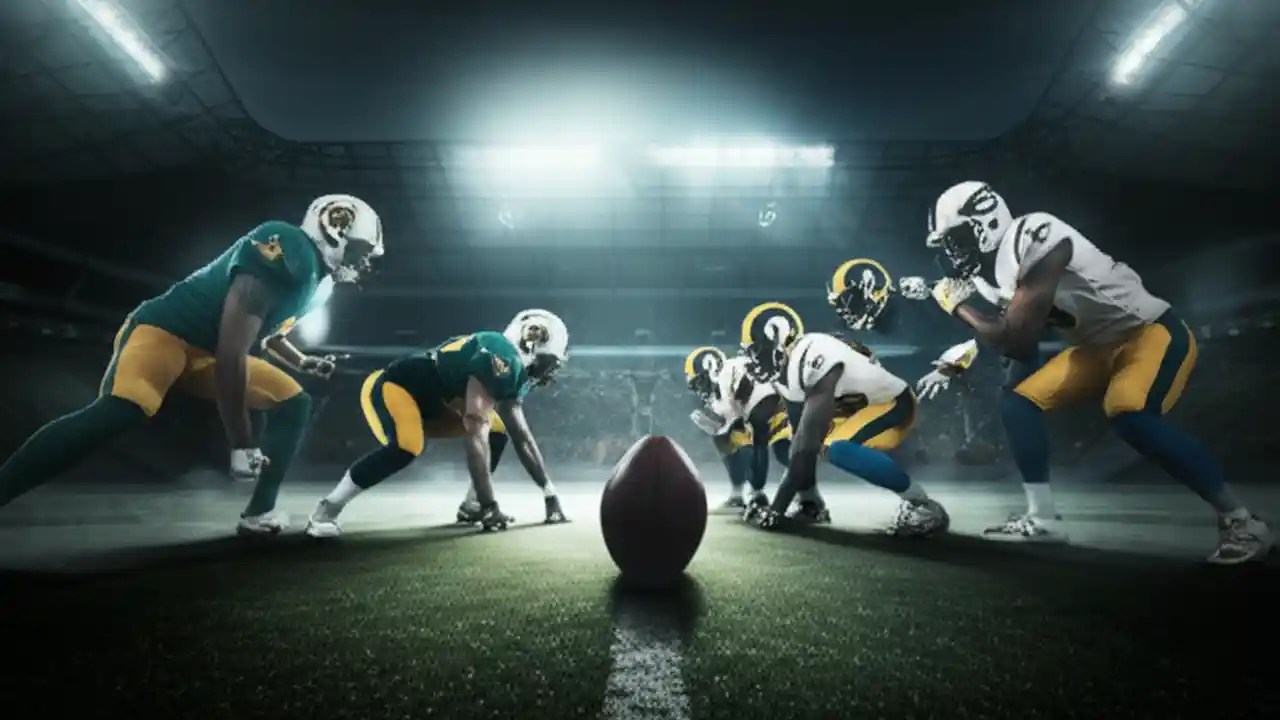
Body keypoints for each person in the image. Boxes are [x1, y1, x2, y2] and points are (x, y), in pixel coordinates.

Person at [925, 180, 1271, 563]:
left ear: (983, 222)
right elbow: (1011, 336)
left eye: (956, 238)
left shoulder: (1037, 233)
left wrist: (958, 307)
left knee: (1129, 415)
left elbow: (1017, 341)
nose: (954, 252)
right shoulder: (1001, 271)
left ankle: (1241, 520)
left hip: (1148, 332)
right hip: (1093, 349)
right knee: (1017, 401)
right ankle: (1043, 518)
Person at [0, 195, 383, 536]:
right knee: (123, 409)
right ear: (335, 228)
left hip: (209, 351)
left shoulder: (317, 283)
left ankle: (258, 513)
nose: (364, 260)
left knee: (294, 402)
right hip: (166, 331)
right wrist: (242, 443)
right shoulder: (285, 245)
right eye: (362, 248)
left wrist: (304, 362)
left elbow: (266, 335)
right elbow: (233, 351)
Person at [305, 310, 569, 537]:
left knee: (499, 431)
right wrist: (492, 506)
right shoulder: (501, 356)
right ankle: (327, 510)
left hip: (435, 401)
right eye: (552, 360)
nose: (553, 368)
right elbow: (476, 426)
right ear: (534, 348)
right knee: (408, 447)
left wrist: (549, 492)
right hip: (395, 387)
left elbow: (522, 436)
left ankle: (473, 505)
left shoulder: (513, 371)